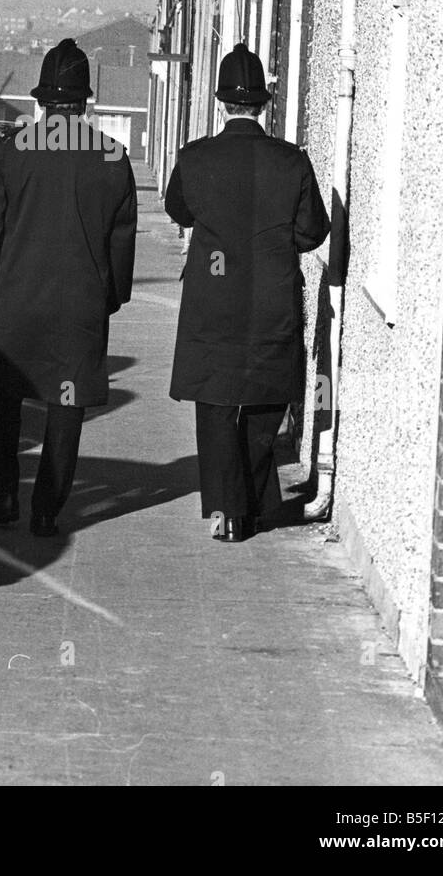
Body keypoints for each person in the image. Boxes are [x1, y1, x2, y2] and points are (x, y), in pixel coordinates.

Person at [0, 38, 137, 536]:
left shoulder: (12, 152)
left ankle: (3, 495)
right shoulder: (112, 157)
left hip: (16, 299)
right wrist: (112, 296)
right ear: (84, 102)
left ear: (41, 100)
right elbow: (121, 240)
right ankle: (46, 509)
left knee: (3, 395)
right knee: (66, 404)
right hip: (79, 304)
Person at [165, 42, 330, 544]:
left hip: (212, 299)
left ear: (221, 103)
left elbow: (178, 210)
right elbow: (313, 232)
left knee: (215, 405)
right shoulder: (291, 162)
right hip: (270, 299)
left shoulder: (195, 157)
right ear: (263, 105)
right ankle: (255, 506)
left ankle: (226, 511)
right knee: (264, 402)